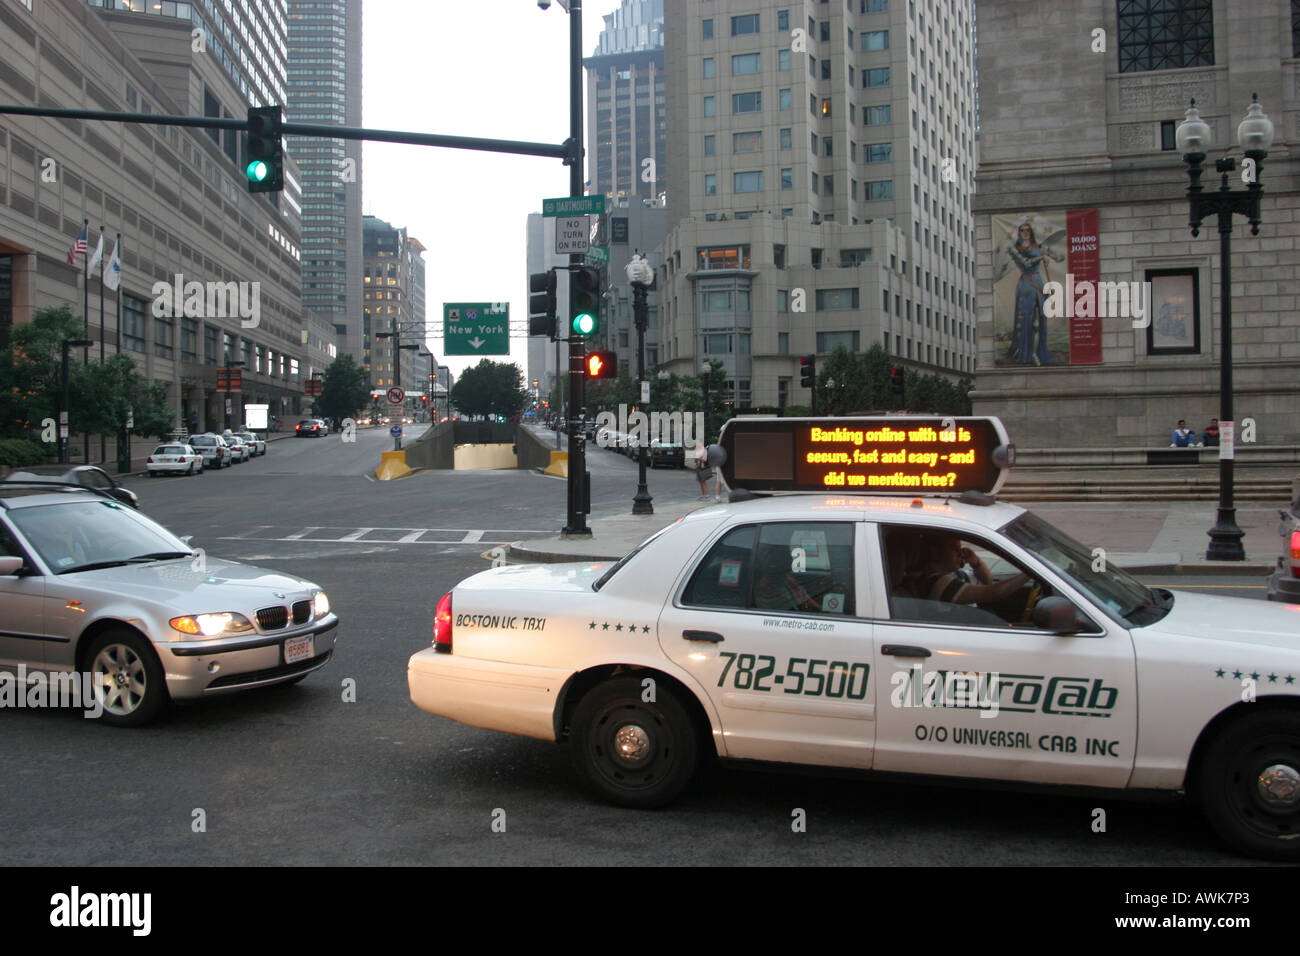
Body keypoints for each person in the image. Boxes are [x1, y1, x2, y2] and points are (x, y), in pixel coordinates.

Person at [905, 535, 1029, 607]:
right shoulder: (937, 582)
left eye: (960, 548)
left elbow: (988, 581)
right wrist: (1028, 571)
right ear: (935, 552)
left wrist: (976, 563)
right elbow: (994, 592)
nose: (960, 553)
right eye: (953, 549)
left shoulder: (955, 575)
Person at [1006, 221, 1065, 366]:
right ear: (1019, 233)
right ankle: (1027, 353)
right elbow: (1025, 263)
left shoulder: (1038, 247)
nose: (1025, 232)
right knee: (1027, 320)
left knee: (1040, 320)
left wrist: (1051, 253)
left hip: (1038, 282)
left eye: (1027, 230)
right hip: (1026, 283)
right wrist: (1041, 257)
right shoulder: (1015, 249)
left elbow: (1059, 257)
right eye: (1022, 230)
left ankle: (1039, 352)